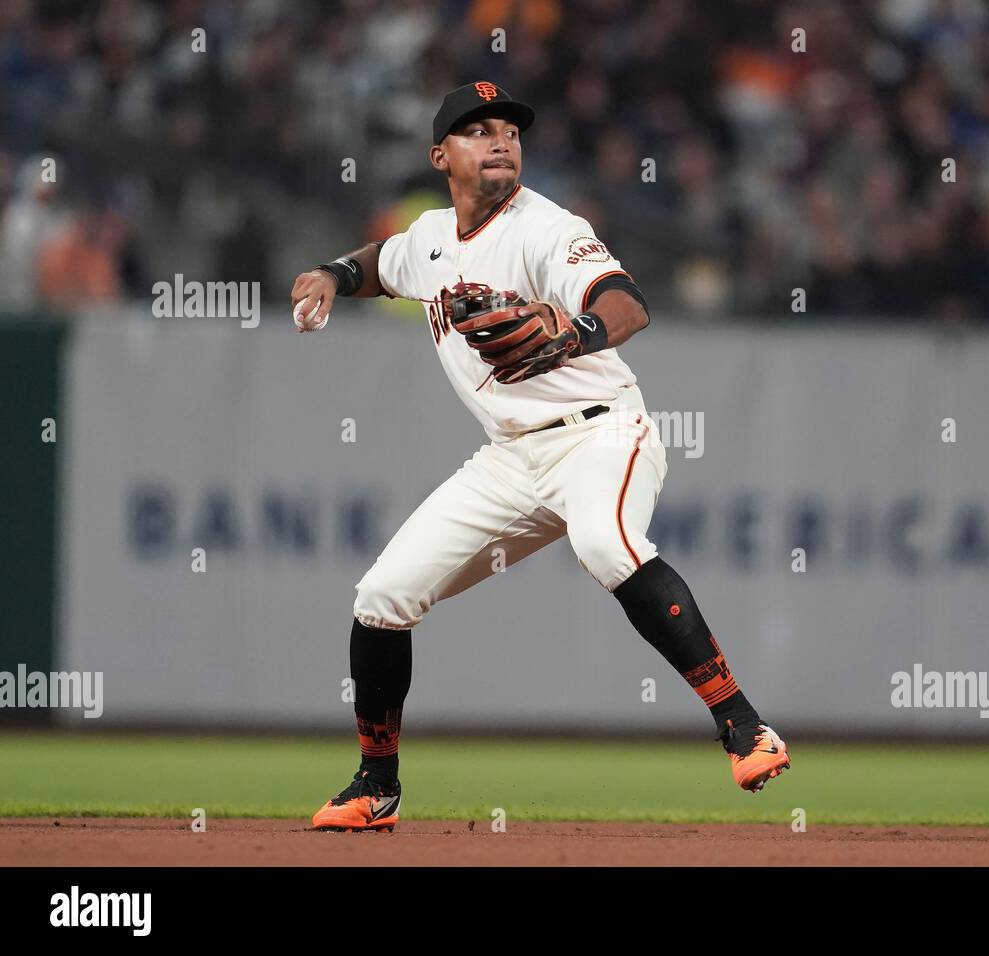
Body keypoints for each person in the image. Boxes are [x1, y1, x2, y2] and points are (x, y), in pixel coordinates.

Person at [290, 82, 790, 832]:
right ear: (440, 156)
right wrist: (330, 275)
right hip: (510, 458)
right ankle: (375, 784)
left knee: (605, 543)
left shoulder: (549, 228)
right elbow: (379, 264)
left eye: (510, 131)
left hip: (600, 432)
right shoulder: (428, 238)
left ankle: (743, 724)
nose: (500, 140)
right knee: (381, 600)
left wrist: (573, 332)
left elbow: (628, 303)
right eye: (477, 130)